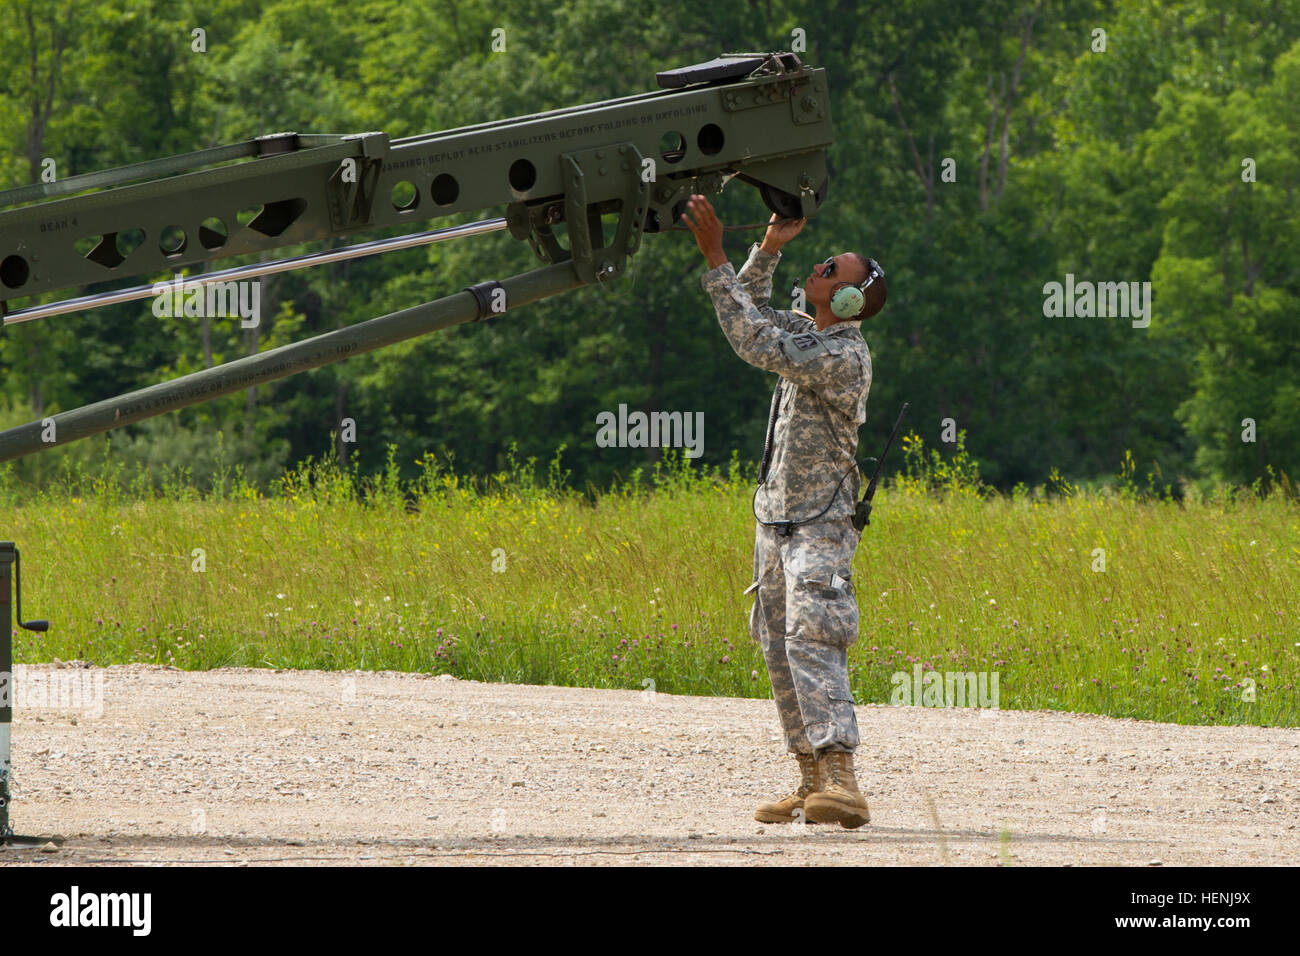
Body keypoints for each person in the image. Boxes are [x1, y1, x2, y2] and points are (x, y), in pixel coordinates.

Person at [681, 194, 886, 829]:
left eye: (832, 270)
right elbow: (754, 310)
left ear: (848, 301)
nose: (819, 268)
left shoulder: (843, 355)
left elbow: (751, 340)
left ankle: (842, 780)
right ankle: (808, 779)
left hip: (820, 524)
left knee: (813, 638)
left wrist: (713, 252)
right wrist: (768, 246)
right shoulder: (808, 330)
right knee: (776, 644)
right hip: (776, 520)